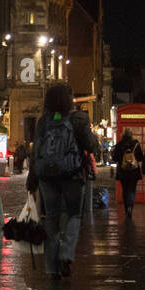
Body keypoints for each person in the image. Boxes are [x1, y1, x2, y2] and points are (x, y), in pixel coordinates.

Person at [26, 82, 100, 279]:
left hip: (47, 177)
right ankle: (66, 253)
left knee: (51, 218)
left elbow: (36, 154)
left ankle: (52, 268)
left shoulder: (42, 122)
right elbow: (91, 145)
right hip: (72, 175)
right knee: (74, 215)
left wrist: (31, 183)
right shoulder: (78, 119)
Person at [112, 130, 145, 220]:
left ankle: (126, 208)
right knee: (131, 190)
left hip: (122, 171)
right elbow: (140, 157)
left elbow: (115, 158)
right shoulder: (136, 144)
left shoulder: (119, 144)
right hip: (133, 171)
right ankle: (130, 206)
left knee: (125, 189)